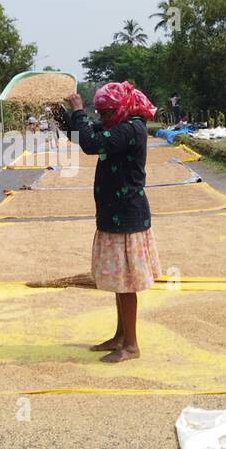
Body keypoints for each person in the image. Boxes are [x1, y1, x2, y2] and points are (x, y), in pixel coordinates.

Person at [64, 81, 161, 363]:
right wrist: (68, 116)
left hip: (127, 216)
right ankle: (120, 336)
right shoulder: (119, 126)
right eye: (101, 114)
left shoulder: (131, 128)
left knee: (127, 284)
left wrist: (79, 112)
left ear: (120, 108)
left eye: (106, 113)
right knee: (120, 282)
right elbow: (84, 135)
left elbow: (91, 143)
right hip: (114, 213)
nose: (103, 119)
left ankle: (131, 345)